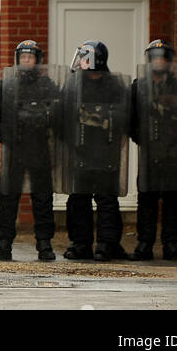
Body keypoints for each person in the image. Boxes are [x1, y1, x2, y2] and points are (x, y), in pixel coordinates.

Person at [130, 39, 177, 261]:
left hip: (174, 150)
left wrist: (173, 106)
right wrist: (141, 138)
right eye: (155, 58)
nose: (158, 62)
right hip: (150, 151)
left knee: (173, 199)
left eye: (162, 58)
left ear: (169, 61)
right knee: (147, 198)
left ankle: (171, 243)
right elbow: (130, 118)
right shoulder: (138, 86)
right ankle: (144, 243)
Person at [62, 40, 129, 262]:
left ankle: (107, 244)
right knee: (78, 198)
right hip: (79, 150)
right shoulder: (73, 84)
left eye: (84, 59)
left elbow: (124, 116)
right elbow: (62, 112)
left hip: (105, 150)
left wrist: (101, 118)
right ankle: (81, 243)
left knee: (107, 199)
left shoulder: (114, 85)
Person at [0, 40, 60, 261]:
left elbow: (57, 115)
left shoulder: (47, 86)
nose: (26, 61)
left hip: (40, 148)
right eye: (22, 57)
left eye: (30, 57)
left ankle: (44, 243)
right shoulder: (8, 86)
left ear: (37, 60)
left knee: (42, 198)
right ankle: (4, 243)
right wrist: (8, 138)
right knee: (8, 197)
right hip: (15, 149)